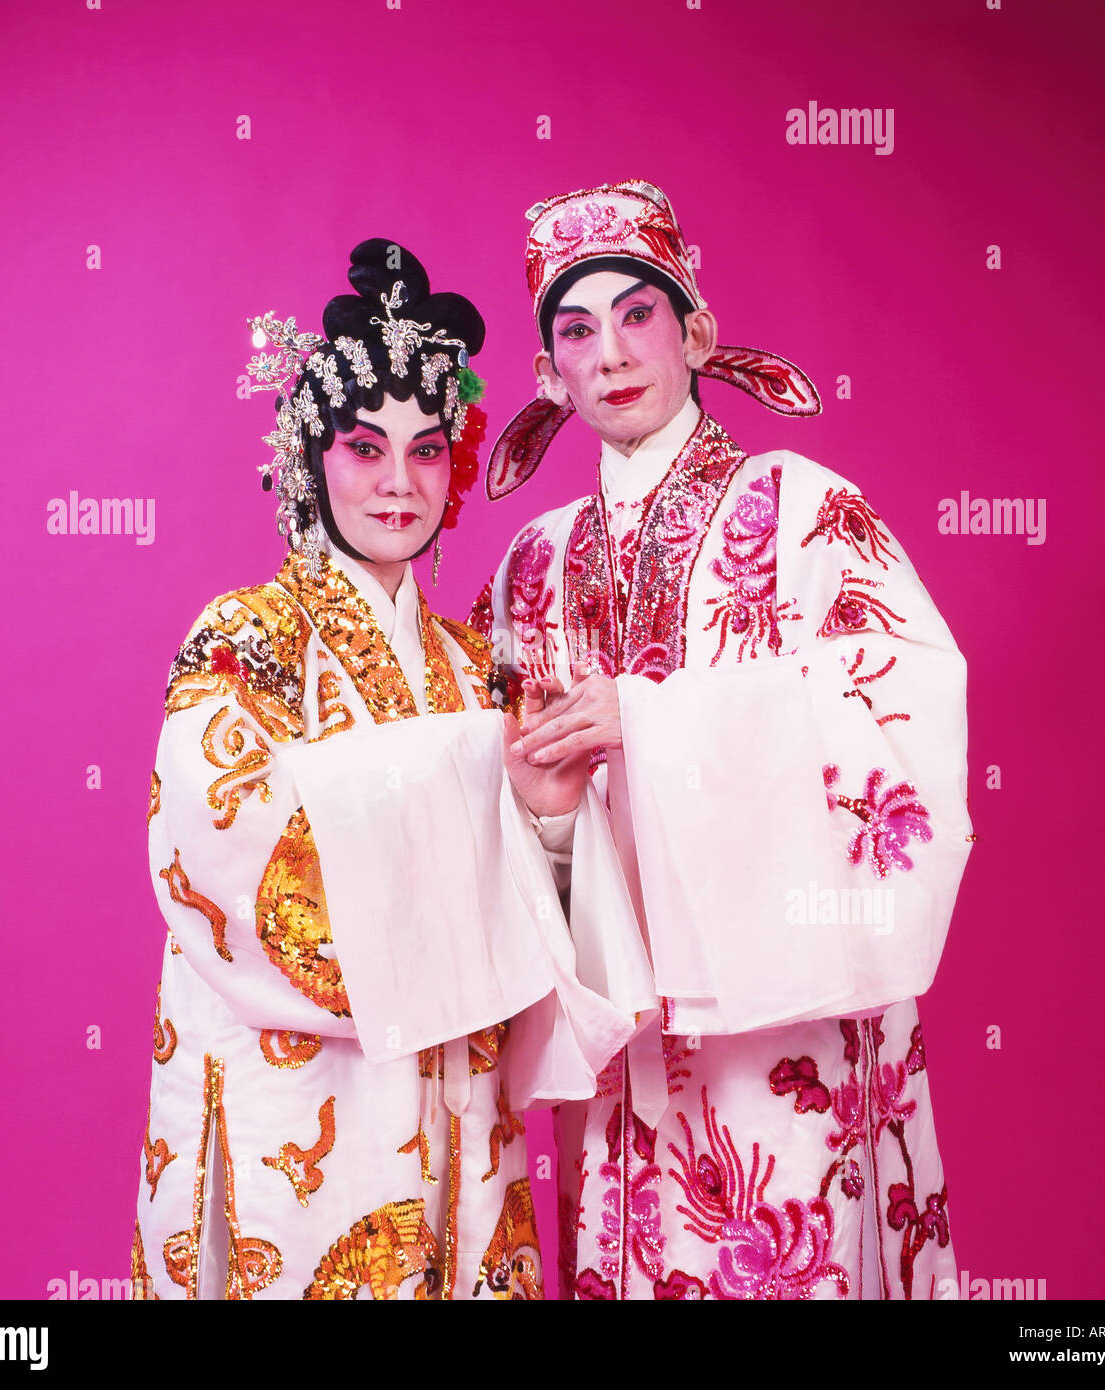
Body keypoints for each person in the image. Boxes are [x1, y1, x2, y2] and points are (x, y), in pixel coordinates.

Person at [473, 179, 974, 1299]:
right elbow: (490, 802)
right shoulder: (528, 565)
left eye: (636, 314)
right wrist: (542, 807)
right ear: (548, 371)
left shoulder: (803, 508)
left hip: (779, 1030)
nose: (609, 354)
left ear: (695, 330)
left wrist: (652, 723)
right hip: (613, 1041)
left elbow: (896, 710)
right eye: (575, 329)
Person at [132, 240, 595, 1300]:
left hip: (460, 1095)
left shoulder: (474, 663)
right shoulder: (244, 639)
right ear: (309, 460)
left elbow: (536, 878)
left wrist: (549, 825)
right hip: (298, 1087)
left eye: (426, 450)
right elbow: (225, 859)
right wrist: (465, 822)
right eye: (363, 446)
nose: (398, 482)